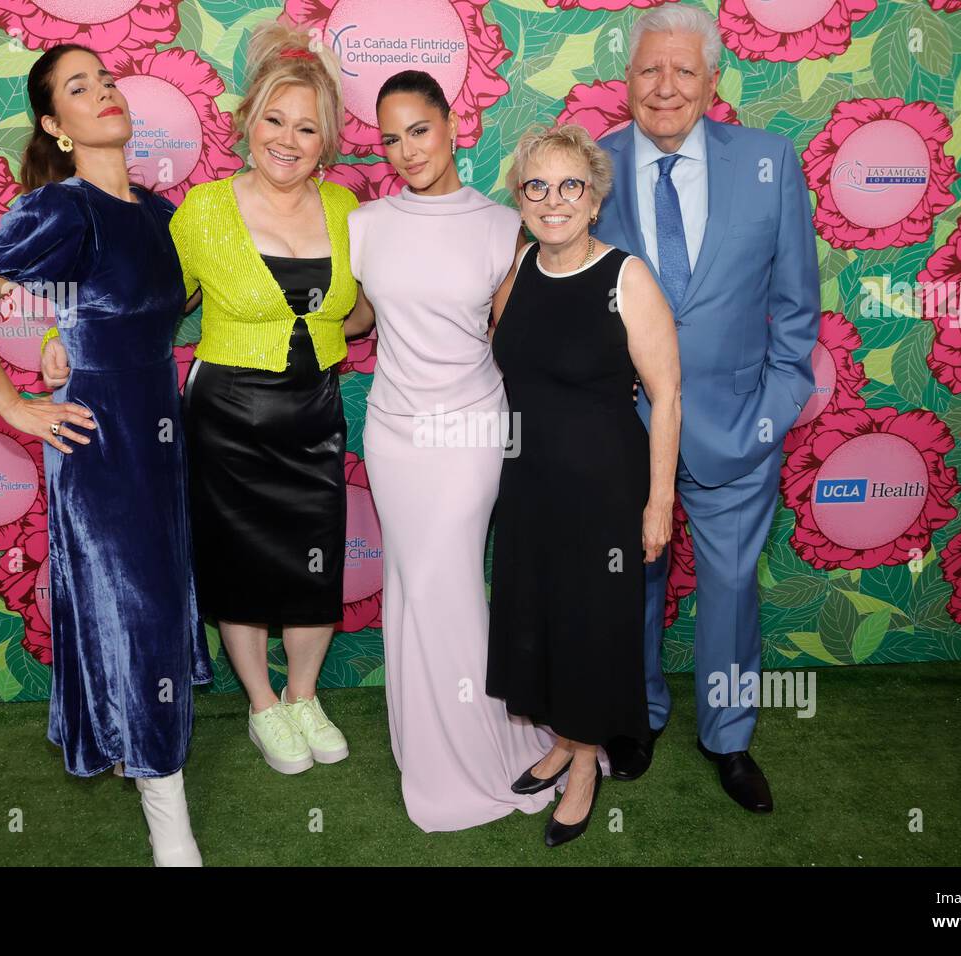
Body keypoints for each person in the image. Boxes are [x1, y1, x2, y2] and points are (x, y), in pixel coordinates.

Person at [43, 23, 356, 777]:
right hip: (229, 416)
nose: (288, 139)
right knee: (242, 562)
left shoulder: (350, 212)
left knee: (317, 566)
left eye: (306, 128)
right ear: (249, 124)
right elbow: (147, 298)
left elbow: (366, 306)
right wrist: (69, 334)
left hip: (316, 411)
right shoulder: (203, 211)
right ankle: (261, 706)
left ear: (326, 143)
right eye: (274, 120)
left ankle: (304, 694)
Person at [0, 44, 211, 866]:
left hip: (159, 439)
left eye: (108, 80)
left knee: (148, 608)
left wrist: (59, 330)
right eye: (80, 89)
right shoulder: (61, 207)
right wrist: (13, 404)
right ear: (56, 126)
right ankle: (169, 814)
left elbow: (134, 303)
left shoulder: (160, 215)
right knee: (142, 615)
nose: (104, 94)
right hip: (97, 446)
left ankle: (135, 745)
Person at [592, 6, 820, 811]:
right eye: (651, 69)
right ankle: (639, 716)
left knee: (728, 587)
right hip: (623, 430)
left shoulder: (769, 162)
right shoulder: (593, 166)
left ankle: (728, 738)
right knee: (633, 583)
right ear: (629, 78)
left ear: (713, 81)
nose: (665, 87)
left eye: (684, 71)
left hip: (738, 426)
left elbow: (797, 310)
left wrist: (774, 409)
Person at [345, 71, 555, 832]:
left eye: (419, 131)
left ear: (452, 124)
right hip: (395, 435)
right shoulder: (364, 225)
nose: (406, 151)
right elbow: (358, 321)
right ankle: (428, 749)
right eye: (391, 138)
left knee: (448, 587)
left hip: (469, 430)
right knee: (411, 590)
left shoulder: (504, 227)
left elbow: (515, 343)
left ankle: (478, 751)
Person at [488, 123, 680, 847]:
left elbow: (667, 394)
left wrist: (658, 501)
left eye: (571, 185)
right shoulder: (519, 270)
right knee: (541, 617)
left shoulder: (625, 277)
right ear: (522, 199)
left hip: (604, 489)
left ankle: (584, 767)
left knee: (590, 625)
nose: (554, 199)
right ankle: (565, 740)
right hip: (529, 484)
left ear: (594, 199)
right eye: (537, 186)